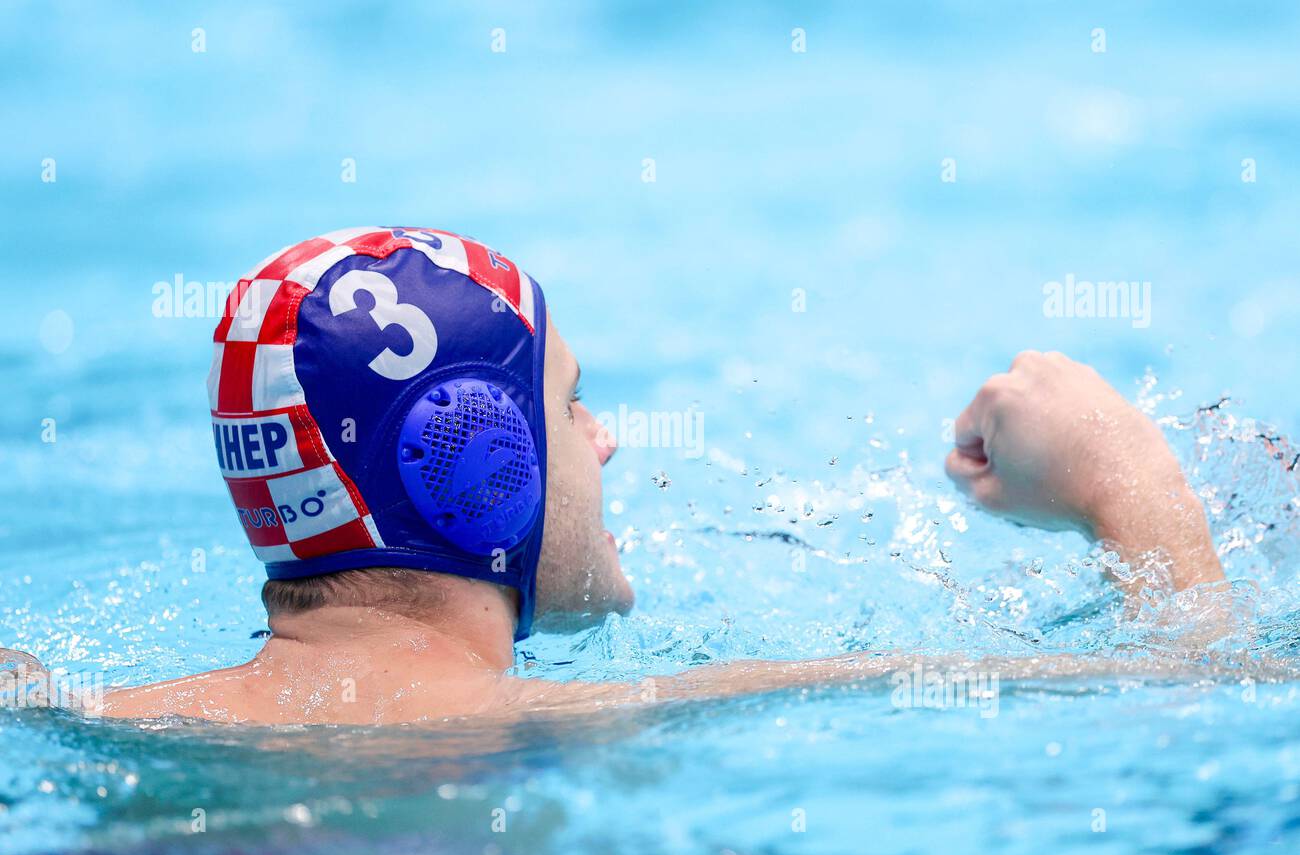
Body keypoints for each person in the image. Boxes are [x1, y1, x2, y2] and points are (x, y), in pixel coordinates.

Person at [3, 228, 1234, 725]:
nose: (604, 440)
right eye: (572, 400)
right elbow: (1206, 677)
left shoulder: (82, 707)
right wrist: (1126, 477)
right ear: (473, 460)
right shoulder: (574, 724)